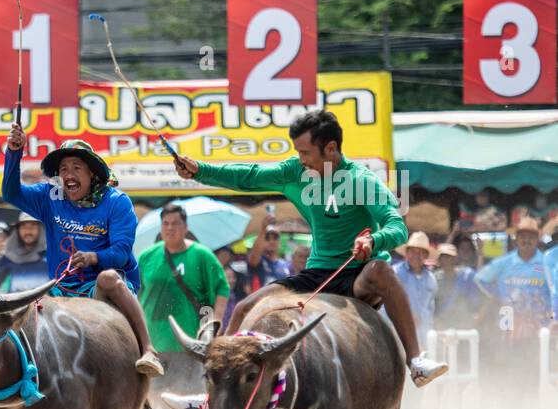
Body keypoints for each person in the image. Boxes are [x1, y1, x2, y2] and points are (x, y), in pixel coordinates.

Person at [173, 108, 447, 388]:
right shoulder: (295, 171)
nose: (301, 159)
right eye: (298, 152)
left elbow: (397, 225)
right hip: (317, 273)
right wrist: (200, 171)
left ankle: (415, 361)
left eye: (306, 153)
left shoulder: (361, 180)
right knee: (245, 308)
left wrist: (373, 241)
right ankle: (215, 390)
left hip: (357, 275)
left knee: (381, 269)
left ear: (330, 148)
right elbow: (250, 176)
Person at [3, 124, 164, 376]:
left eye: (77, 168)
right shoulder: (51, 196)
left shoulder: (116, 201)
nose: (69, 174)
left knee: (107, 277)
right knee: (25, 313)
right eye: (63, 169)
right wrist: (14, 152)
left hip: (104, 286)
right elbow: (10, 193)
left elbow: (121, 252)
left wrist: (93, 258)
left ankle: (148, 349)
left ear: (92, 174)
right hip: (61, 288)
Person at [137, 203, 229, 387]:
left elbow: (222, 288)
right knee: (155, 400)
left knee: (188, 399)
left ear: (186, 227)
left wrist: (215, 325)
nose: (170, 228)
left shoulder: (202, 255)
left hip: (190, 344)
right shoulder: (147, 256)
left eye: (176, 223)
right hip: (153, 345)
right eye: (166, 223)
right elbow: (136, 294)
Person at [476, 215, 553, 356]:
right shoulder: (504, 262)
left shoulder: (547, 263)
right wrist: (497, 296)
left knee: (537, 362)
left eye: (531, 237)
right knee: (508, 359)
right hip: (508, 321)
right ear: (516, 239)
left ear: (537, 240)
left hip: (539, 323)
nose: (526, 240)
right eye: (522, 236)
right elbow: (480, 279)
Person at [391, 231, 438, 341]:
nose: (416, 256)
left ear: (426, 255)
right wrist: (406, 316)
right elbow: (388, 303)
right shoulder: (395, 273)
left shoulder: (431, 279)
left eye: (420, 253)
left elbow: (430, 309)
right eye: (412, 252)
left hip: (424, 336)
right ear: (406, 253)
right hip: (398, 334)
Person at [0, 212, 48, 293]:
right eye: (24, 227)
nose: (28, 232)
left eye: (33, 227)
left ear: (40, 229)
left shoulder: (50, 256)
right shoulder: (8, 258)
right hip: (17, 304)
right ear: (18, 231)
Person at [433, 243, 483, 331]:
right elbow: (432, 304)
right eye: (443, 257)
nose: (446, 260)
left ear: (455, 259)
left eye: (449, 257)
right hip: (442, 326)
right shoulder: (434, 279)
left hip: (464, 324)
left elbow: (476, 298)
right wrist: (436, 320)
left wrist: (477, 315)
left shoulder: (467, 276)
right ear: (439, 260)